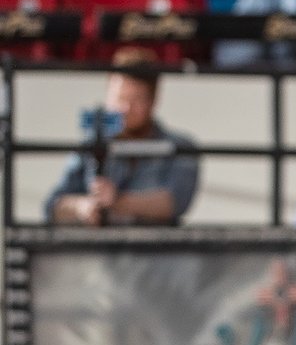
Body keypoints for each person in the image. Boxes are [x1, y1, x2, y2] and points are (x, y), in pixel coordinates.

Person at [45, 52, 200, 225]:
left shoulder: (181, 146)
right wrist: (81, 207)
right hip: (98, 242)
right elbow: (53, 206)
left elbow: (175, 202)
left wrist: (116, 201)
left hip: (154, 242)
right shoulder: (91, 143)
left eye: (136, 100)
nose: (126, 108)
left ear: (153, 100)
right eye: (120, 98)